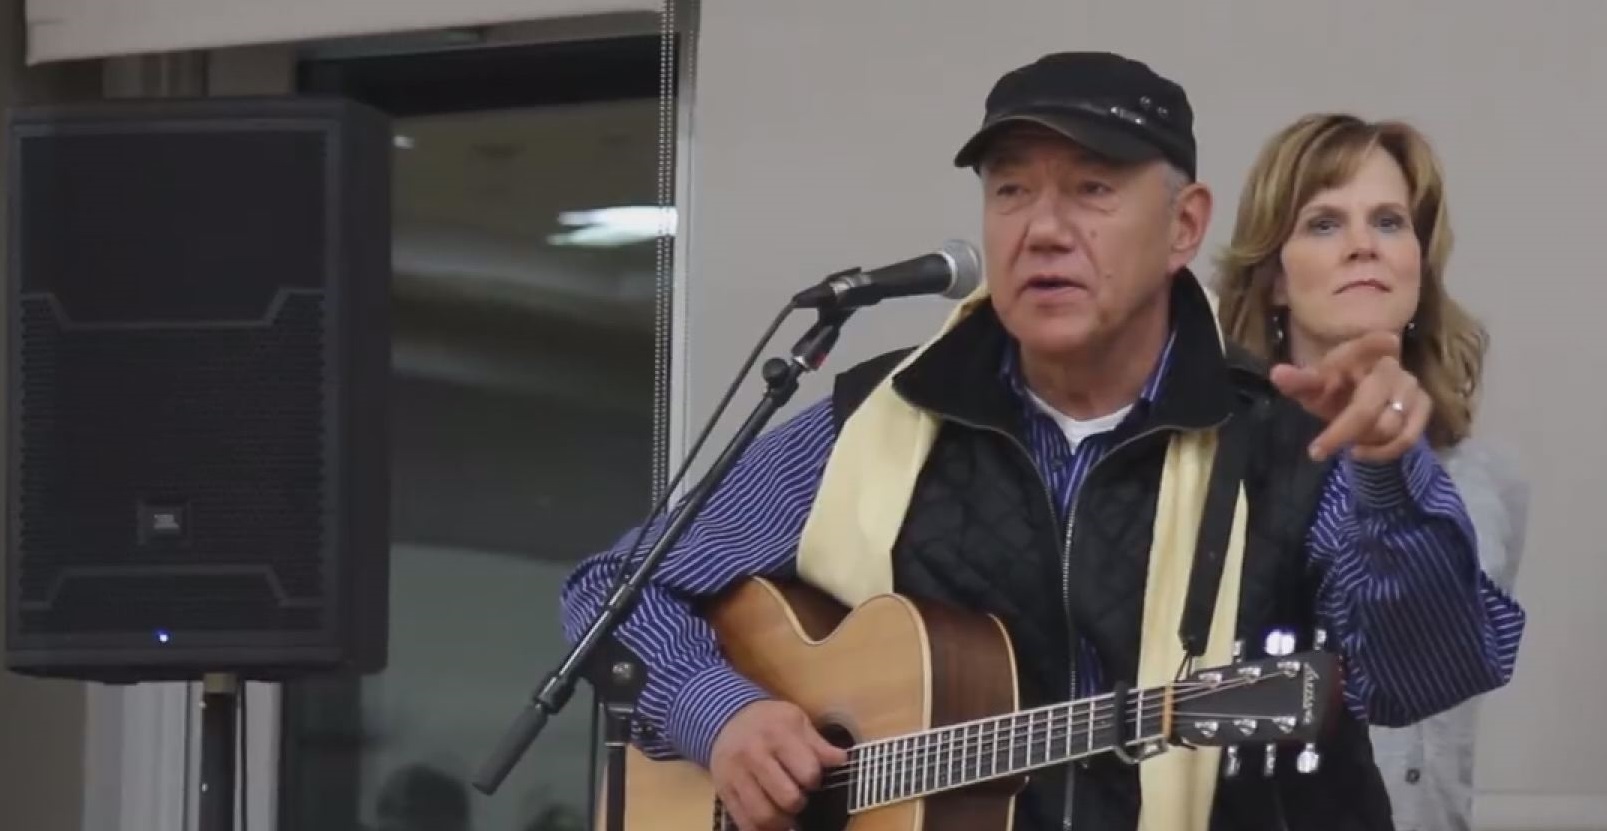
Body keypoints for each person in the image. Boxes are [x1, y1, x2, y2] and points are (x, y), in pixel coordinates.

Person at [560, 52, 1525, 831]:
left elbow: (1416, 678)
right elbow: (610, 594)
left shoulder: (1287, 447)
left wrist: (1389, 478)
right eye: (1012, 191)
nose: (1044, 230)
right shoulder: (874, 418)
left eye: (1092, 190)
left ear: (1184, 225)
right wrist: (723, 715)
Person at [1214, 113, 1529, 831]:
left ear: (1419, 262)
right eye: (1324, 224)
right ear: (1273, 280)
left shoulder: (1490, 479)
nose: (1362, 245)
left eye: (1388, 221)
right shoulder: (1214, 469)